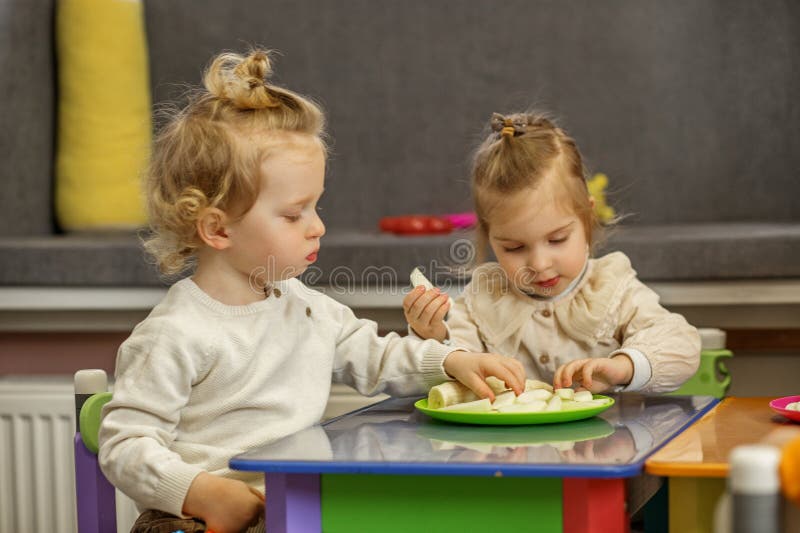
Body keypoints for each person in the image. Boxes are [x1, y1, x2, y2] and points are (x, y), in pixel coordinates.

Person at [98, 50, 525, 533]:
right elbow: (124, 445)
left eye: (316, 207)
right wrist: (201, 491)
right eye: (293, 214)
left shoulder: (308, 310)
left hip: (290, 506)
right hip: (199, 517)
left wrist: (451, 362)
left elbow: (379, 357)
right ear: (218, 228)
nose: (317, 227)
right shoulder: (174, 333)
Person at [403, 111, 700, 394]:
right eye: (514, 247)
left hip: (612, 431)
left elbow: (683, 347)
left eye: (557, 239)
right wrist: (434, 337)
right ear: (489, 237)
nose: (540, 264)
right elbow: (441, 369)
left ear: (587, 217)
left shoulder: (613, 290)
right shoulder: (484, 300)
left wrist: (623, 368)